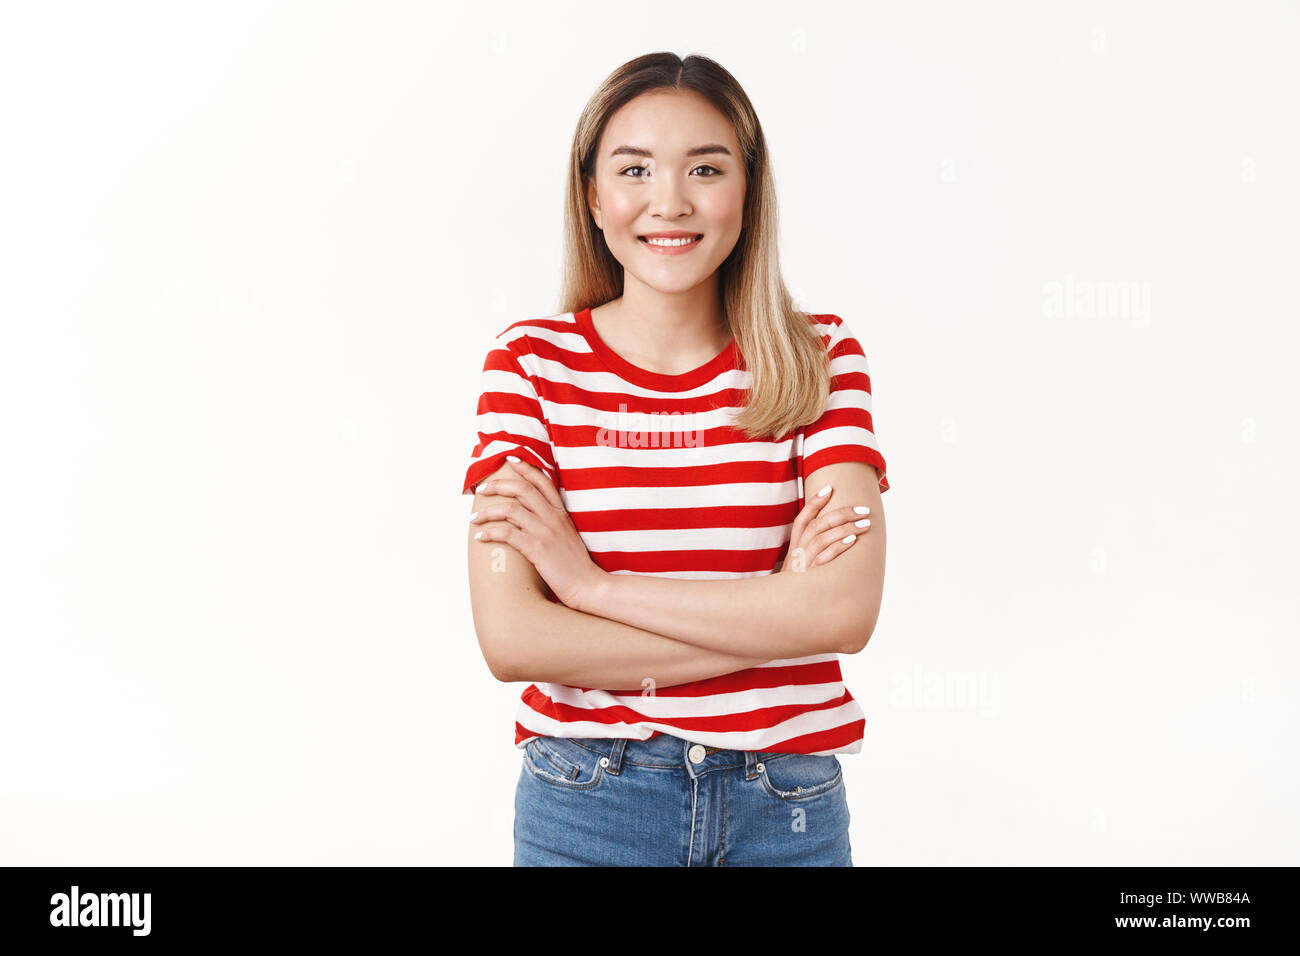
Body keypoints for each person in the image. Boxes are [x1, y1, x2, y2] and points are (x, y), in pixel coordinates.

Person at [462, 51, 890, 866]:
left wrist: (592, 589)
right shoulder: (528, 364)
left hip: (786, 807)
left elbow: (843, 614)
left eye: (705, 166)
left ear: (748, 189)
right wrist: (774, 614)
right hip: (589, 804)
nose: (671, 202)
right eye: (635, 169)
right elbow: (512, 637)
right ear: (592, 194)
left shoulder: (822, 357)